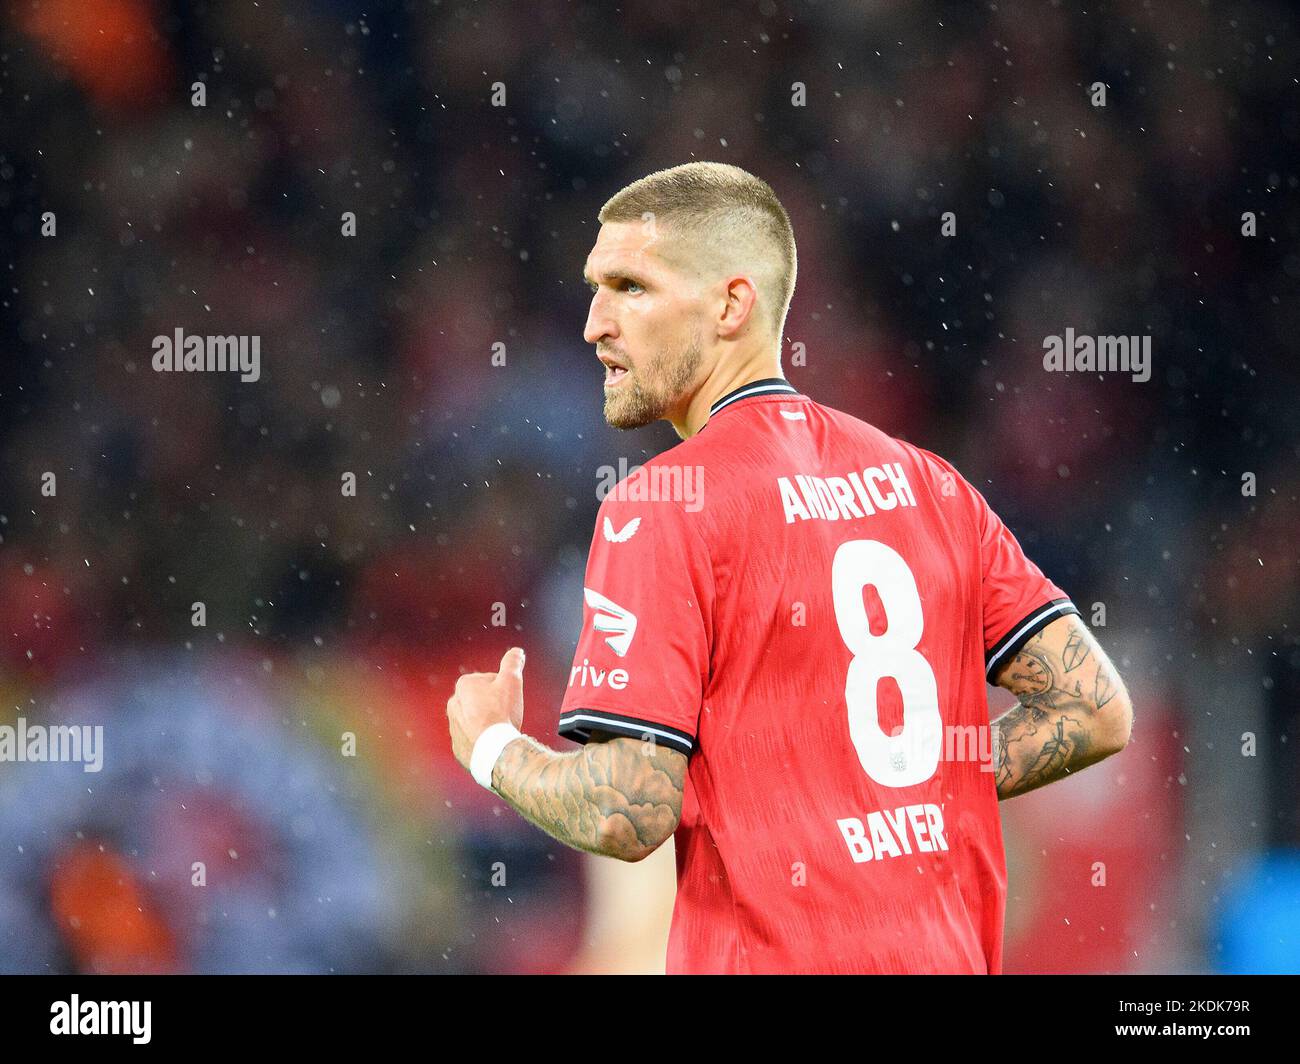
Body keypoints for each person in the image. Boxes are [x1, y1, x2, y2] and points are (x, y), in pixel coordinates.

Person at [444, 161, 1133, 974]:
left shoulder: (663, 505)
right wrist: (907, 786)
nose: (595, 323)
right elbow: (1093, 712)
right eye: (596, 288)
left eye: (631, 287)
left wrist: (491, 746)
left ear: (732, 304)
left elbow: (625, 810)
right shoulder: (928, 482)